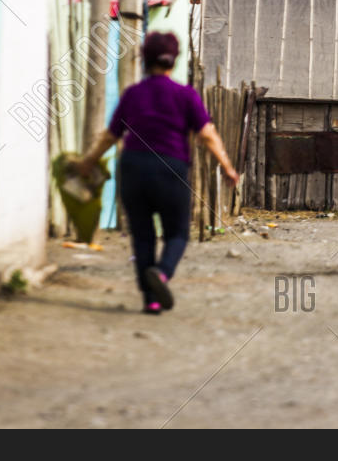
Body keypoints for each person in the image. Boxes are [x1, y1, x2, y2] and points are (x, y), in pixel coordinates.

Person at [74, 31, 238, 315]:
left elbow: (110, 136)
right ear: (173, 61)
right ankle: (162, 274)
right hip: (170, 169)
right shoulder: (185, 95)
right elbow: (208, 134)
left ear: (144, 60)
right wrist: (227, 166)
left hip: (133, 168)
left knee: (143, 236)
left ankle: (150, 300)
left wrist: (88, 162)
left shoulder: (133, 95)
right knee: (177, 233)